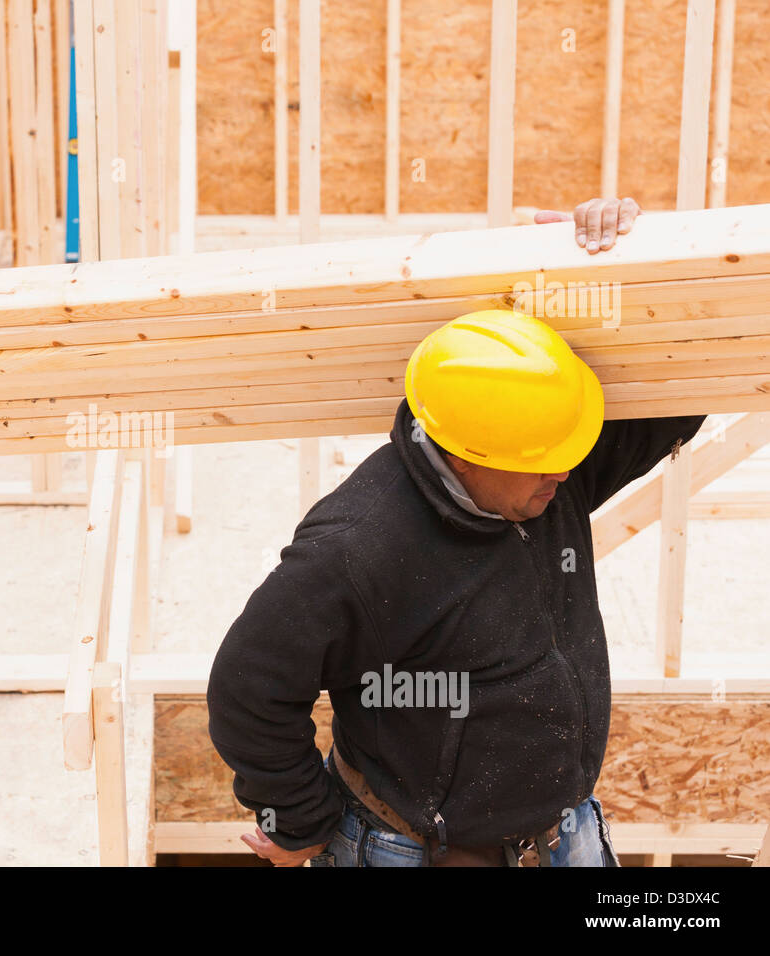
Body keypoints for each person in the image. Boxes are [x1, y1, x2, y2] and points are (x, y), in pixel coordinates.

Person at [207, 197, 701, 866]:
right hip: (410, 847)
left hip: (560, 835)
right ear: (464, 452)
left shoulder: (540, 469)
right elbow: (247, 690)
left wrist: (631, 264)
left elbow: (684, 390)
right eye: (542, 460)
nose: (566, 471)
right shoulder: (358, 545)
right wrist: (299, 821)